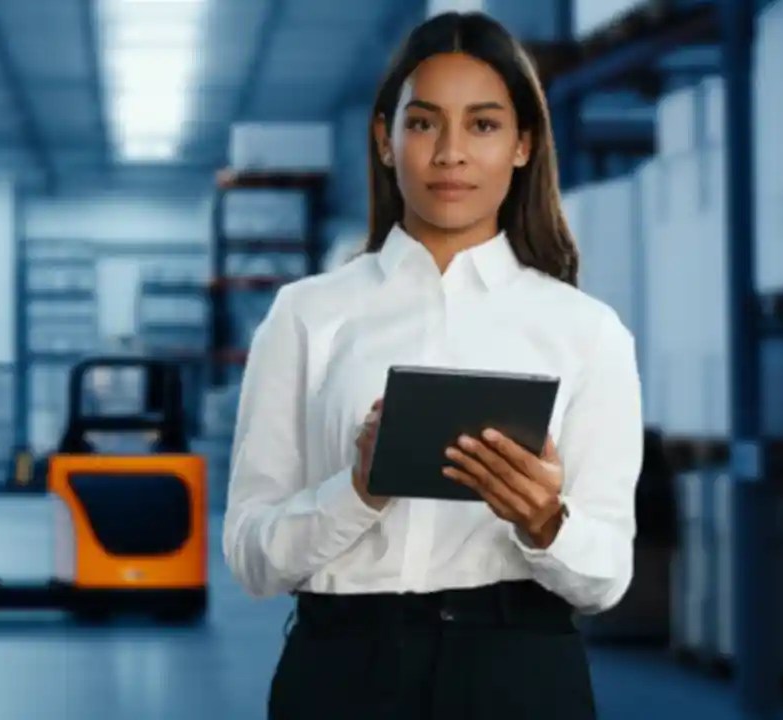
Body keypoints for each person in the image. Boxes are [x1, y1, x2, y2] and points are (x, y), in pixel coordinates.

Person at [222, 11, 644, 720]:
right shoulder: (307, 315)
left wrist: (545, 521)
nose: (451, 152)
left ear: (523, 145)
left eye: (482, 125)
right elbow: (253, 559)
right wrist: (356, 490)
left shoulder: (586, 332)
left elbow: (606, 577)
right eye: (423, 124)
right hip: (344, 673)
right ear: (385, 141)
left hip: (518, 674)